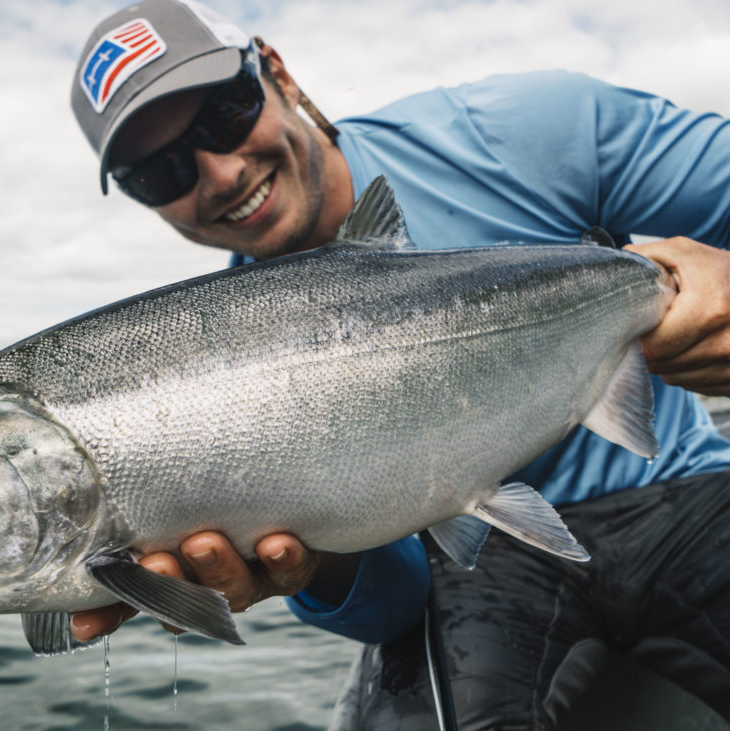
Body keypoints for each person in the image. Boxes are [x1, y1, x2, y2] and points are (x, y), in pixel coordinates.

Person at [69, 0, 730, 727]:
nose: (221, 173)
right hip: (483, 563)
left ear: (278, 74)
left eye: (226, 113)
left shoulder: (523, 131)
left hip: (684, 490)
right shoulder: (216, 382)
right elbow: (396, 605)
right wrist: (321, 564)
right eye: (160, 172)